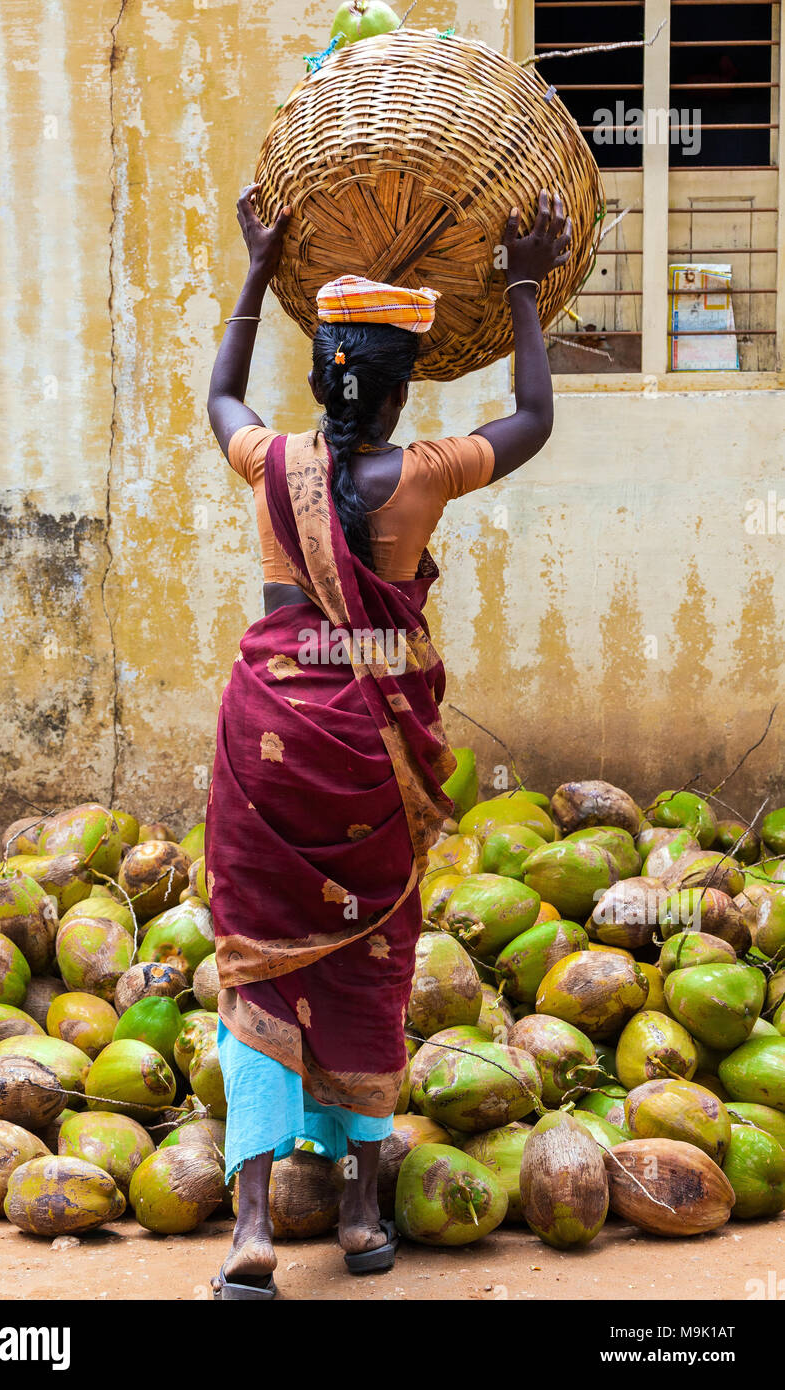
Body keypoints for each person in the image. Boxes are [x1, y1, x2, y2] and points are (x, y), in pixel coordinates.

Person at [206, 184, 570, 1298]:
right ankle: (363, 1214)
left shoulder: (273, 463)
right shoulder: (422, 474)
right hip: (369, 747)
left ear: (318, 379)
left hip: (268, 730)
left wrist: (261, 266)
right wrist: (517, 283)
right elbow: (535, 416)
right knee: (369, 957)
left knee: (255, 968)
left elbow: (219, 392)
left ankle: (253, 1232)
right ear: (407, 386)